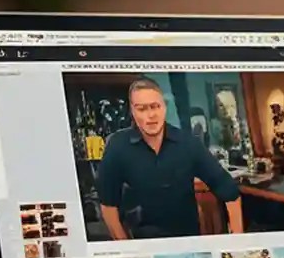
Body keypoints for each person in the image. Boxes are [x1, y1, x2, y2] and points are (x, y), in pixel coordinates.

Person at [98, 78, 244, 240]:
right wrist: (125, 248)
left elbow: (229, 191)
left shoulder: (188, 143)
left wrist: (238, 241)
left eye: (155, 106)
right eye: (142, 109)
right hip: (142, 241)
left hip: (187, 241)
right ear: (132, 111)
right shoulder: (118, 146)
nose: (151, 115)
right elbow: (108, 205)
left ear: (164, 107)